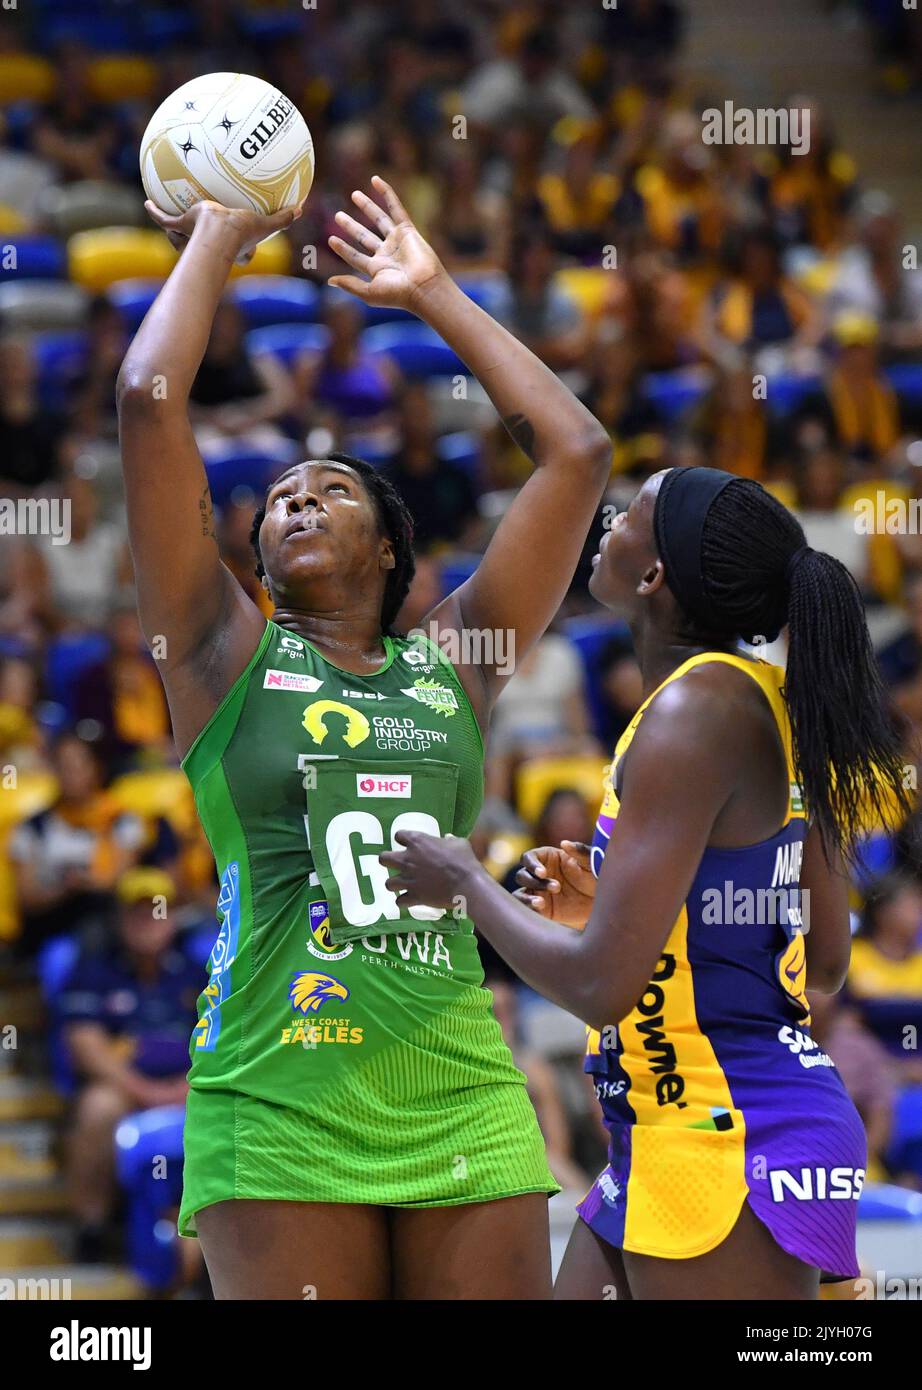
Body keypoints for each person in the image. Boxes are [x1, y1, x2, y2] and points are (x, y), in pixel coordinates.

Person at [116, 176, 612, 1299]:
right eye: (278, 498)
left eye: (329, 490)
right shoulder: (218, 655)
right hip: (278, 1092)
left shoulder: (457, 661)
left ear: (389, 549)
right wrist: (218, 233)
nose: (294, 501)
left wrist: (435, 292)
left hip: (459, 1082)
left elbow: (577, 454)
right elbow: (148, 400)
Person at [384, 463, 910, 1299]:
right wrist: (629, 914)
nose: (610, 519)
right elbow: (822, 959)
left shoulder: (691, 715)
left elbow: (599, 984)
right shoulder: (760, 701)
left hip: (728, 1134)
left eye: (631, 512)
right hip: (674, 1125)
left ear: (655, 574)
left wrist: (464, 881)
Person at [61, 868, 199, 1262]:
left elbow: (226, 1041)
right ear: (119, 919)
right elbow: (86, 1046)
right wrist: (146, 1091)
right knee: (97, 1107)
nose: (148, 922)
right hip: (124, 1090)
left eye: (157, 911)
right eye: (137, 913)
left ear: (172, 918)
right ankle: (91, 1228)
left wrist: (185, 1088)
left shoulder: (199, 972)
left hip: (191, 1086)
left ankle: (201, 1243)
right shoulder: (93, 971)